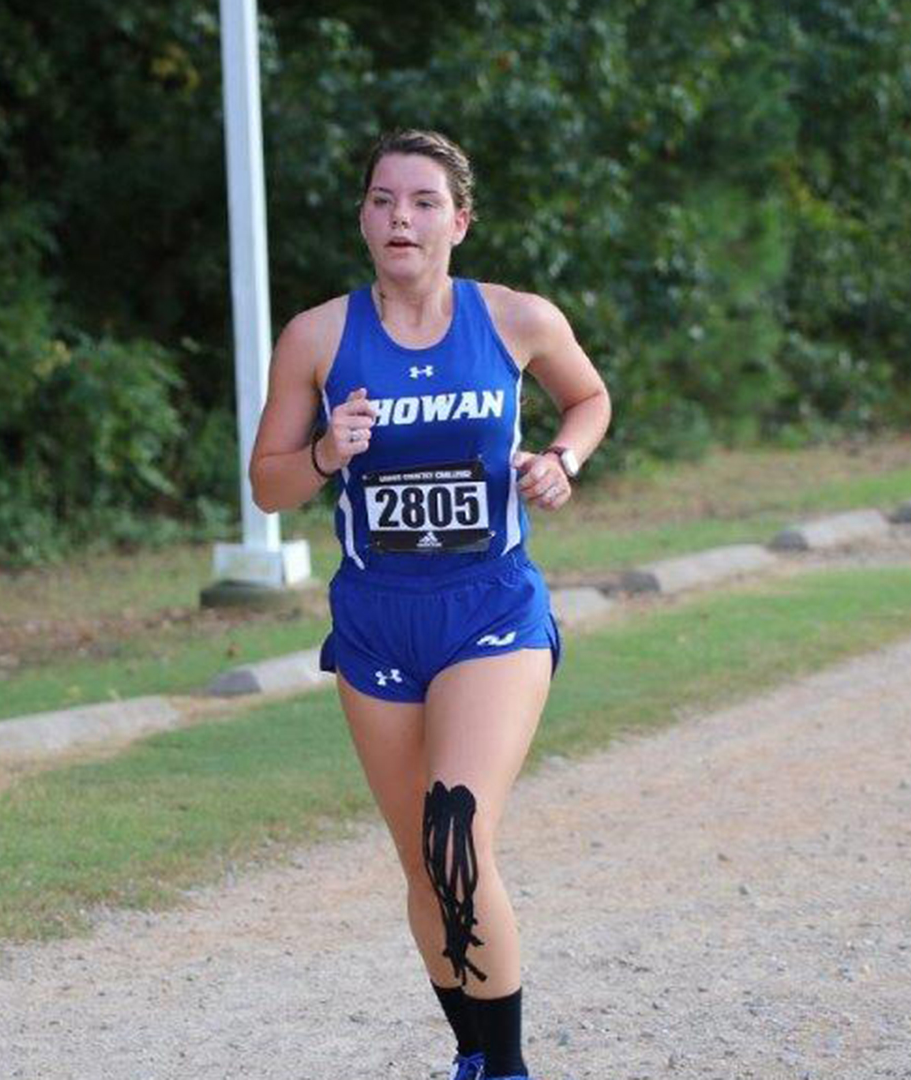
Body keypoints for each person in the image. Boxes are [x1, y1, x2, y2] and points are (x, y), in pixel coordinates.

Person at [249, 129, 611, 1080]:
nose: (399, 218)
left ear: (460, 220)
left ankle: (510, 1068)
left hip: (490, 609)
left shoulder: (516, 319)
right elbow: (268, 486)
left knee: (457, 833)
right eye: (382, 200)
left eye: (422, 201)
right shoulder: (318, 338)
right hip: (377, 621)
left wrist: (562, 461)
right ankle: (472, 1053)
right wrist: (325, 452)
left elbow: (590, 400)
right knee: (424, 861)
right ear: (364, 219)